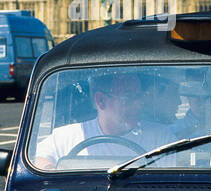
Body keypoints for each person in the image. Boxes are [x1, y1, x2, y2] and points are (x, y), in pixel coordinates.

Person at [32, 70, 168, 168]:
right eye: (128, 97)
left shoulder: (161, 138)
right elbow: (37, 159)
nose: (138, 104)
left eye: (139, 96)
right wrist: (51, 169)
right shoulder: (66, 136)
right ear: (101, 100)